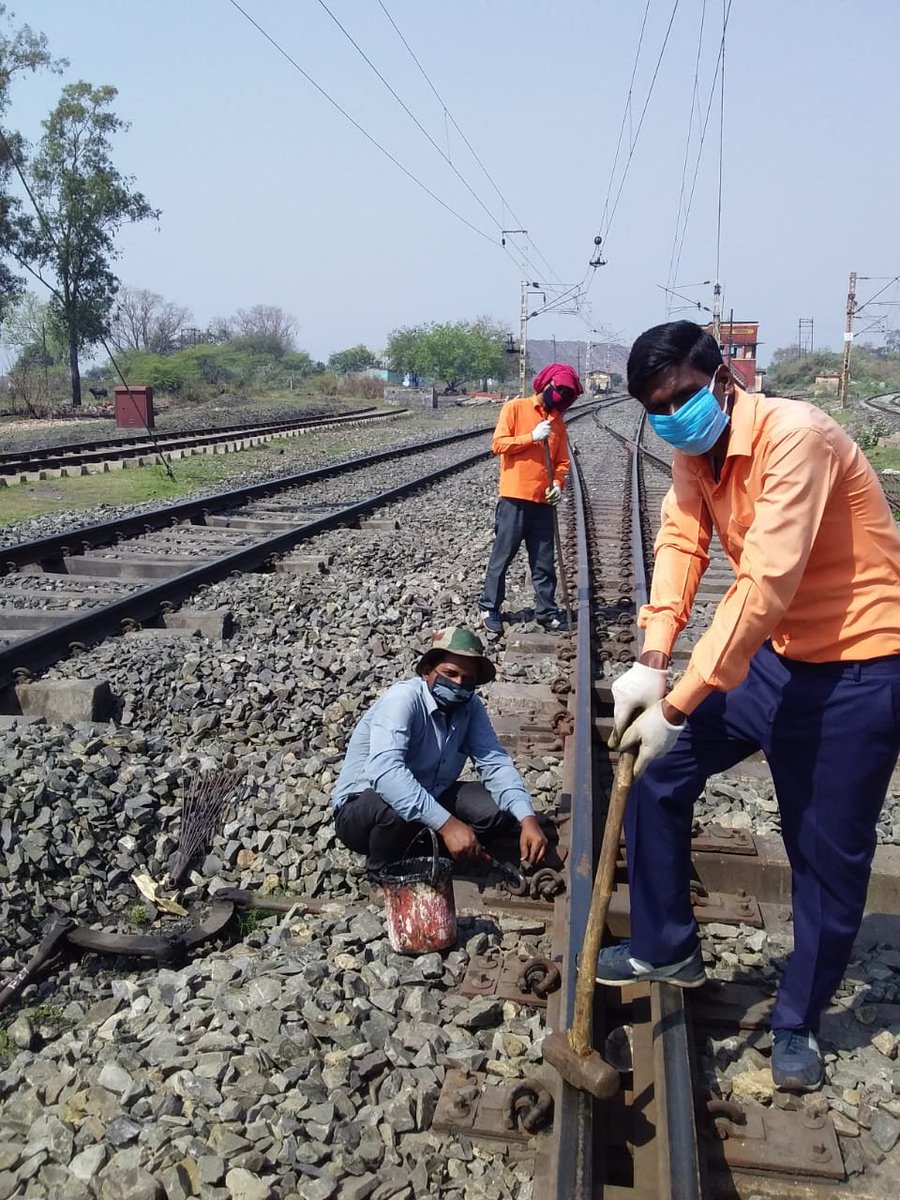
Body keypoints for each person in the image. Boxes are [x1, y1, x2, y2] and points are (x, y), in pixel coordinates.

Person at [595, 320, 900, 1092]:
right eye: (657, 408)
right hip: (775, 660)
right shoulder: (694, 453)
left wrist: (681, 700)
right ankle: (666, 943)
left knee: (824, 858)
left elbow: (765, 583)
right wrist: (655, 657)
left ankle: (798, 1020)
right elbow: (683, 540)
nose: (675, 415)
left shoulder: (798, 436)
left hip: (858, 671)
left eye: (685, 396)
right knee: (658, 774)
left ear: (724, 375)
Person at [332, 625, 548, 873]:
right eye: (450, 673)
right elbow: (386, 774)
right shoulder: (403, 699)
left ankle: (429, 852)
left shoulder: (470, 706)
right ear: (427, 671)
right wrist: (448, 826)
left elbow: (494, 762)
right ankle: (384, 872)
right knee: (394, 801)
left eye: (467, 679)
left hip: (430, 796)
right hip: (362, 811)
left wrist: (527, 818)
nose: (458, 684)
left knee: (499, 810)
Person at [479, 363, 583, 636]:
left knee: (543, 562)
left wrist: (558, 485)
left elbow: (561, 461)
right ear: (546, 384)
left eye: (566, 393)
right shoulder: (515, 408)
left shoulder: (557, 422)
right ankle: (489, 607)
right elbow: (498, 444)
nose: (560, 396)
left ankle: (547, 612)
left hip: (543, 501)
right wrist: (531, 437)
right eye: (558, 390)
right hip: (514, 498)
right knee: (502, 557)